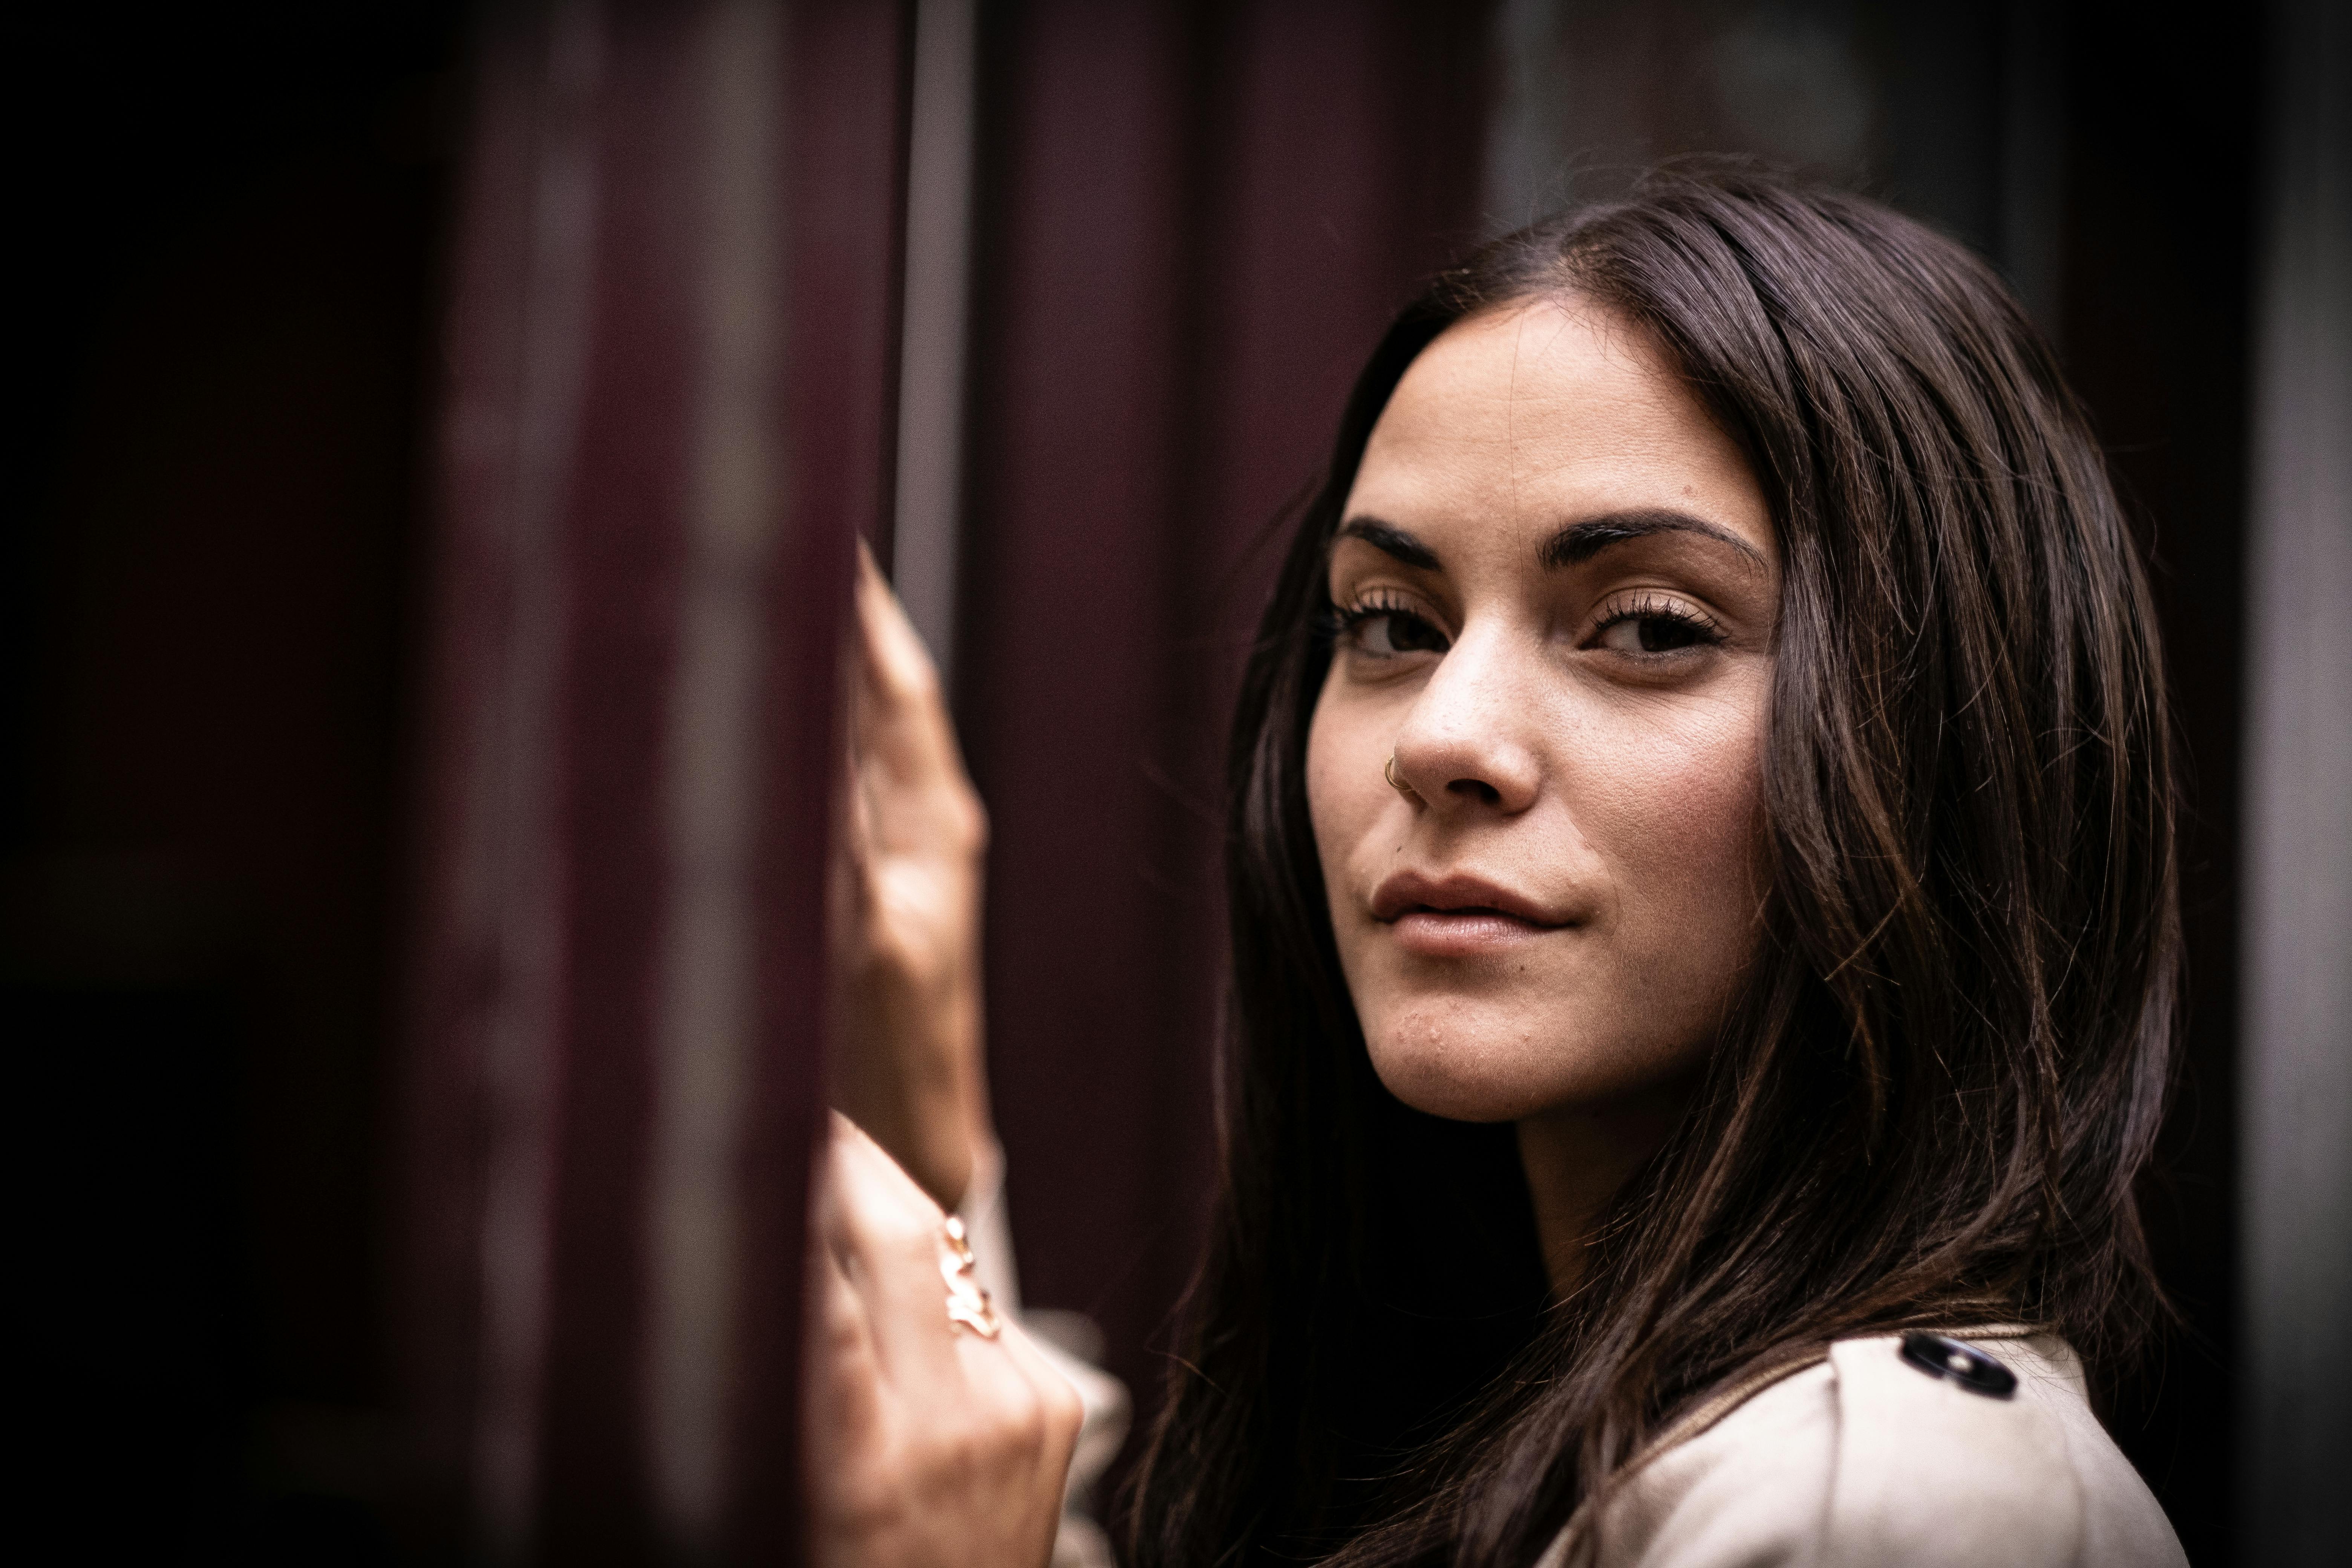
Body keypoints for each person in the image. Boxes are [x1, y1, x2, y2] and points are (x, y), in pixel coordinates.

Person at [808, 170, 2190, 1568]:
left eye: (1648, 630)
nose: (1440, 737)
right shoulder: (1530, 1420)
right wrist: (921, 1122)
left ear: (1944, 744)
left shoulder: (1883, 1508)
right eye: (1392, 623)